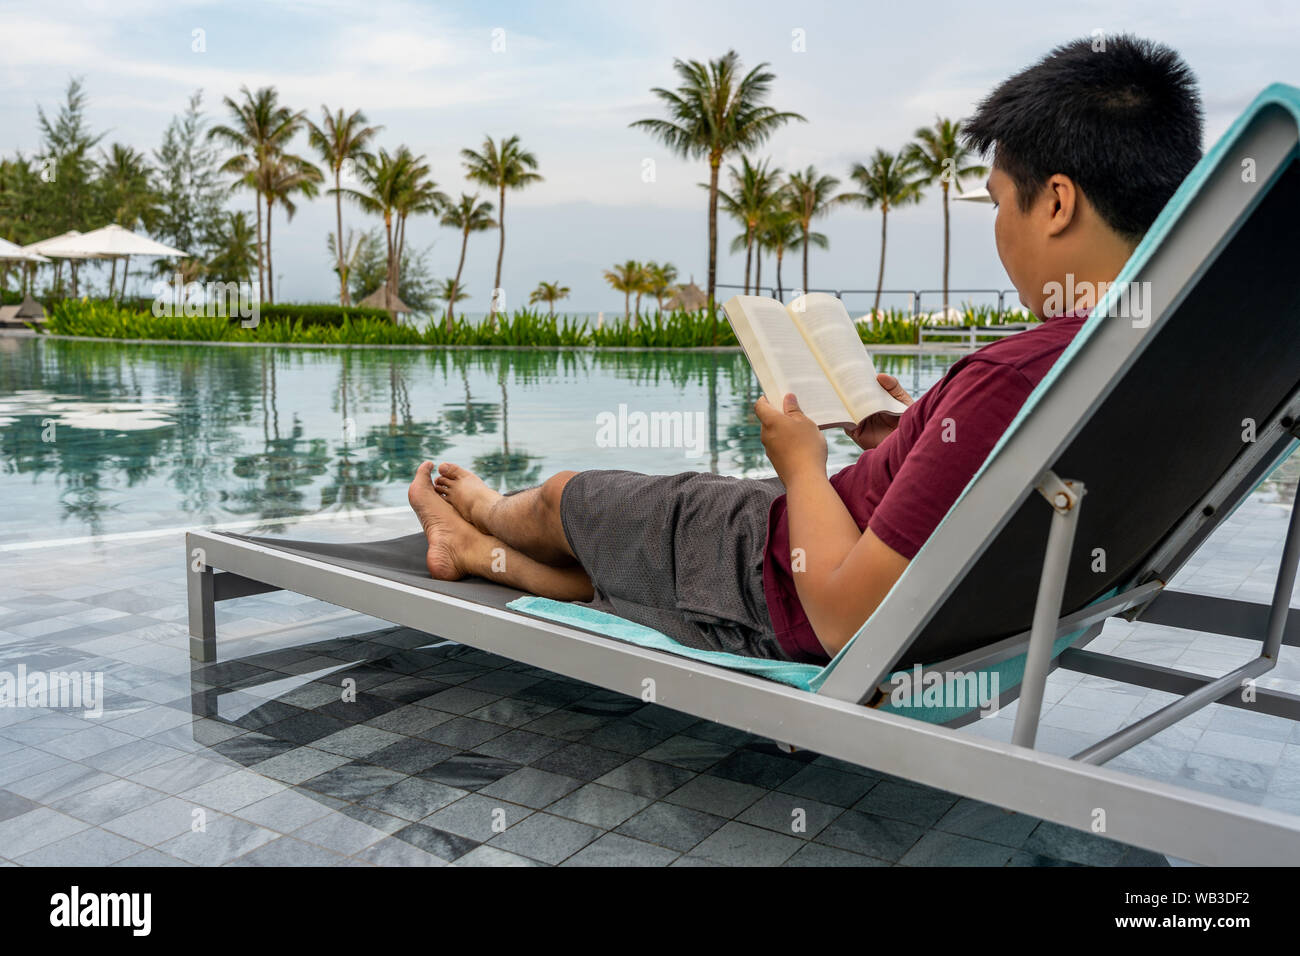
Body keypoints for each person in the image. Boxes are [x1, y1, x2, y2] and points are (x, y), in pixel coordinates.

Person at [406, 34, 1204, 665]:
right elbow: (983, 491)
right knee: (620, 562)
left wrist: (800, 465)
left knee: (565, 496)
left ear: (1057, 202)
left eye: (998, 202)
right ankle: (475, 553)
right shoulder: (1155, 354)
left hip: (777, 577)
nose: (996, 226)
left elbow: (842, 617)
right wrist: (909, 442)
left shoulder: (1014, 374)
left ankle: (477, 509)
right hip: (884, 581)